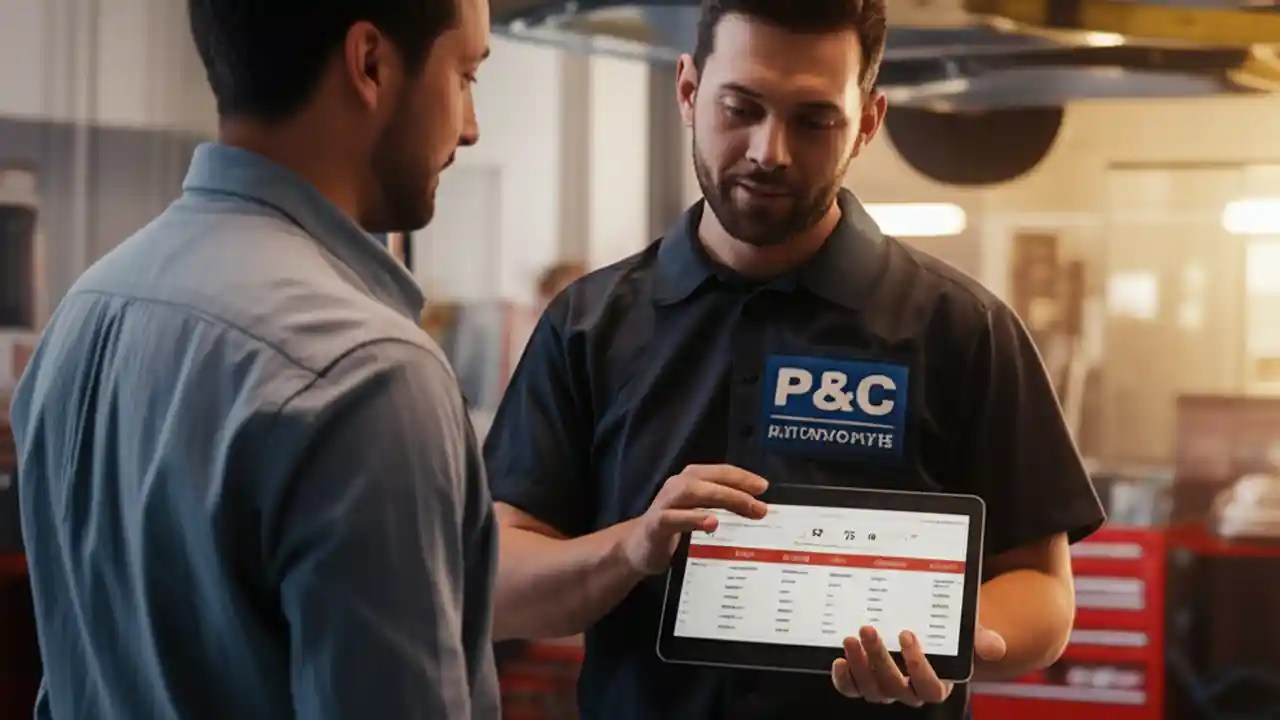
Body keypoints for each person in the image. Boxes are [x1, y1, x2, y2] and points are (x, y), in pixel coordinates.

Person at [483, 1, 1105, 718]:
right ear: (688, 91)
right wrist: (630, 548)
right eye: (740, 108)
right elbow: (498, 589)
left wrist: (945, 639)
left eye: (815, 120)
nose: (769, 151)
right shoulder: (588, 326)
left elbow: (1044, 593)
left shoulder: (964, 330)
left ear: (868, 122)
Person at [9, 1, 497, 718]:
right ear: (370, 64)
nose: (470, 127)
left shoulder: (86, 311)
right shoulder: (371, 373)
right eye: (464, 75)